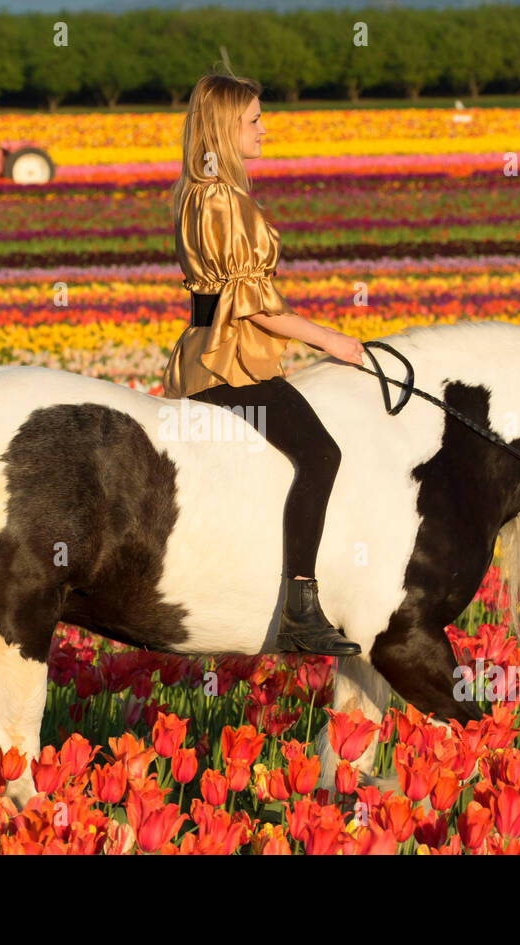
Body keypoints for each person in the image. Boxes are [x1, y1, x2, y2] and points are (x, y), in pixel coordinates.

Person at [161, 72, 365, 657]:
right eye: (253, 119)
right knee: (321, 453)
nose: (264, 128)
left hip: (204, 354)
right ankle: (301, 607)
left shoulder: (199, 192)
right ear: (227, 127)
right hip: (234, 364)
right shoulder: (223, 199)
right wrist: (333, 341)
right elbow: (254, 303)